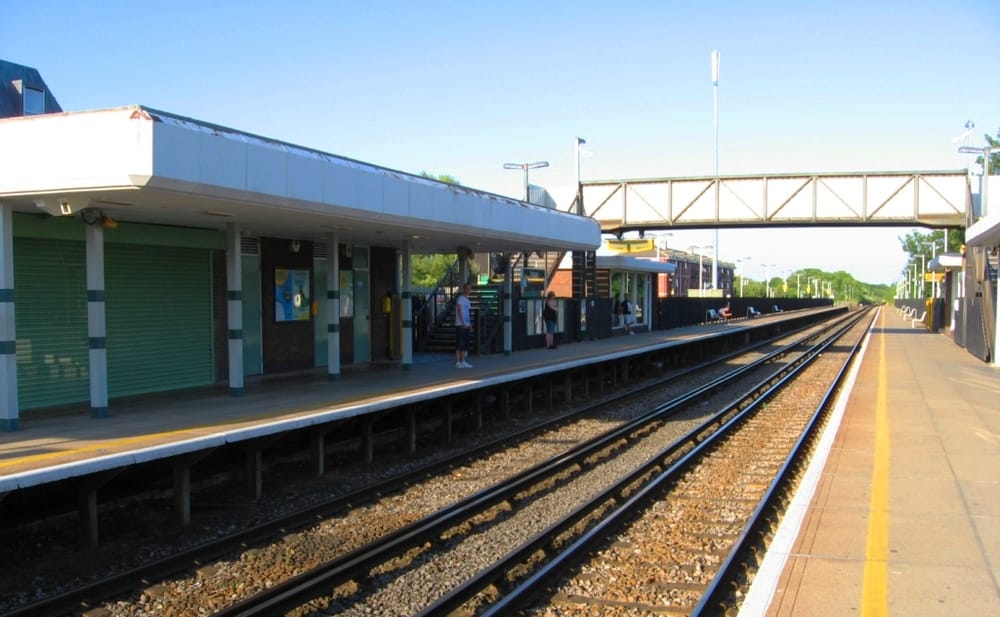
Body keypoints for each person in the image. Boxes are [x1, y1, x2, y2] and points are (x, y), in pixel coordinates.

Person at [454, 283, 472, 368]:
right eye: (467, 289)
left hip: (466, 324)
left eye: (470, 289)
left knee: (465, 344)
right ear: (464, 289)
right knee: (460, 343)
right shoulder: (460, 299)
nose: (469, 291)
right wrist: (463, 323)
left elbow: (468, 313)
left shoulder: (467, 300)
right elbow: (459, 311)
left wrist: (469, 323)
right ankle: (458, 362)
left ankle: (463, 361)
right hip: (460, 324)